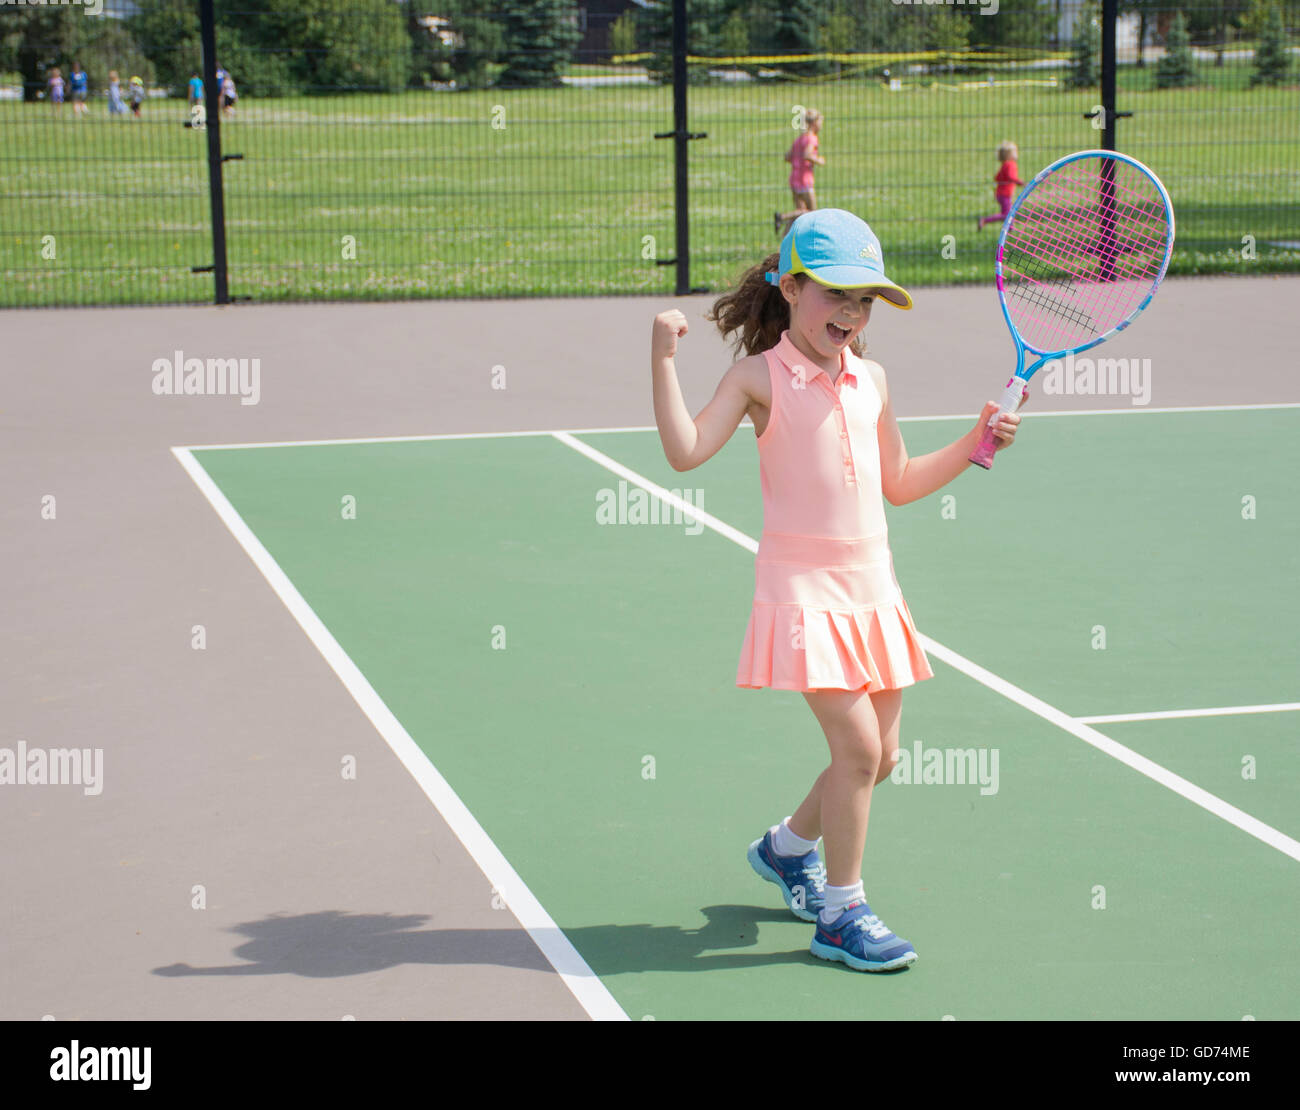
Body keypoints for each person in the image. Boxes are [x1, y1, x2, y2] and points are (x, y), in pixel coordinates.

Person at [650, 209, 1025, 973]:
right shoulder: (758, 377)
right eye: (835, 295)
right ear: (790, 287)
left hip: (873, 589)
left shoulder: (872, 380)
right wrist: (661, 360)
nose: (851, 314)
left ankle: (787, 849)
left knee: (881, 758)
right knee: (855, 749)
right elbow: (685, 452)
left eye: (865, 301)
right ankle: (841, 912)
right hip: (802, 595)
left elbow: (900, 481)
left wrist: (976, 441)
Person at [775, 109, 825, 237]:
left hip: (794, 178)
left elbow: (787, 156)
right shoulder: (812, 138)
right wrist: (819, 160)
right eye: (820, 121)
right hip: (805, 179)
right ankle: (783, 216)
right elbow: (807, 154)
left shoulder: (799, 139)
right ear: (814, 123)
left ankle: (783, 240)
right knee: (813, 213)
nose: (821, 125)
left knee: (800, 213)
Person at [978, 140, 1024, 231]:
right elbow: (1011, 176)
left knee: (1009, 211)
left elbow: (997, 177)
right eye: (1015, 152)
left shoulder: (1004, 165)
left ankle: (1010, 228)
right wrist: (1019, 182)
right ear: (1009, 155)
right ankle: (985, 220)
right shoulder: (1010, 164)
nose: (1016, 153)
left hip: (1000, 194)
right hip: (1005, 194)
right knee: (1006, 214)